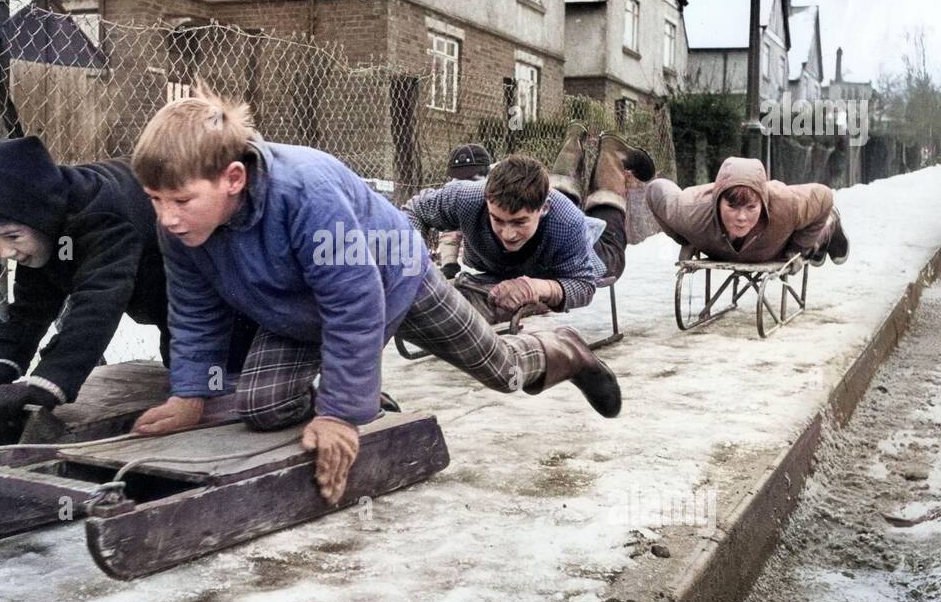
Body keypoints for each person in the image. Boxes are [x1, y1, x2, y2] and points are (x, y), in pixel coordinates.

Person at [128, 89, 623, 506]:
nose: (167, 217)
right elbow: (195, 308)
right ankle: (369, 398)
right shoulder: (182, 228)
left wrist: (339, 414)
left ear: (233, 178)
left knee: (501, 370)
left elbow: (355, 302)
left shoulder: (304, 193)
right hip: (302, 313)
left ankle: (563, 350)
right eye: (156, 200)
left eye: (181, 201)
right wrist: (190, 393)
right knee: (263, 406)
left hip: (395, 278)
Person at [0, 135, 252, 424]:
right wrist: (2, 366)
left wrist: (46, 384)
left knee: (224, 379)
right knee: (183, 373)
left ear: (42, 216)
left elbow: (98, 303)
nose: (4, 251)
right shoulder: (46, 219)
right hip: (164, 292)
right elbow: (31, 305)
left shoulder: (103, 216)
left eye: (11, 236)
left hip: (224, 286)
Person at [403, 134, 655, 324]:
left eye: (519, 222)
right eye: (498, 220)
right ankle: (572, 146)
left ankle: (612, 155)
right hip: (541, 233)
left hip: (587, 249)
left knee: (605, 210)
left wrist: (538, 288)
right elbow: (412, 210)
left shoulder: (567, 223)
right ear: (486, 200)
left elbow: (584, 285)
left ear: (542, 209)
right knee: (560, 196)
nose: (507, 234)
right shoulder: (466, 198)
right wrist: (414, 271)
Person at [645, 156, 849, 265]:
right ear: (718, 202)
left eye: (751, 208)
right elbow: (655, 190)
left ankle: (831, 227)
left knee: (810, 241)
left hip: (778, 242)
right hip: (720, 241)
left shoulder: (786, 204)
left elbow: (824, 196)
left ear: (763, 202)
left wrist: (798, 248)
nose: (741, 218)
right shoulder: (691, 211)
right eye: (732, 207)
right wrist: (686, 238)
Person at [437, 142, 492, 280]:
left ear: (489, 176)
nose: (463, 188)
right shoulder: (454, 197)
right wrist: (450, 263)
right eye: (457, 181)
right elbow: (450, 230)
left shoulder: (504, 192)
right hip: (475, 265)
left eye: (471, 180)